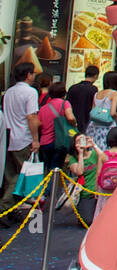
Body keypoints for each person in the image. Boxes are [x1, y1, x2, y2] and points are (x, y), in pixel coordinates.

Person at [0, 63, 39, 223]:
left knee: (9, 176)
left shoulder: (9, 92)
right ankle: (4, 208)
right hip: (23, 137)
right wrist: (35, 139)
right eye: (33, 73)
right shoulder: (30, 92)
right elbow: (31, 117)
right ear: (28, 75)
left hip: (7, 137)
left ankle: (12, 209)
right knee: (21, 174)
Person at [37, 79, 75, 202]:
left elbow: (39, 124)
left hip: (44, 142)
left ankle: (43, 192)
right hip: (59, 142)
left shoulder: (43, 108)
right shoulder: (65, 104)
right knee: (55, 169)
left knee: (48, 168)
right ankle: (46, 194)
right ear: (64, 93)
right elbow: (70, 117)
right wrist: (74, 124)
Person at [66, 132, 104, 229]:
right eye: (79, 141)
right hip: (85, 194)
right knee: (87, 221)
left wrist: (94, 145)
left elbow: (105, 158)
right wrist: (80, 154)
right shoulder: (73, 159)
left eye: (84, 139)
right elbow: (79, 171)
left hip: (98, 192)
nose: (82, 142)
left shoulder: (95, 154)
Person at [87, 72, 117, 152]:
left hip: (94, 127)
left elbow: (92, 112)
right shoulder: (114, 93)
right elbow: (112, 113)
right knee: (106, 151)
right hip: (107, 127)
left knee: (94, 150)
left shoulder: (97, 94)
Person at [66, 64, 100, 136]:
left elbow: (67, 105)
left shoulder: (73, 88)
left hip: (72, 122)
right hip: (86, 122)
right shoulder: (93, 89)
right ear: (96, 76)